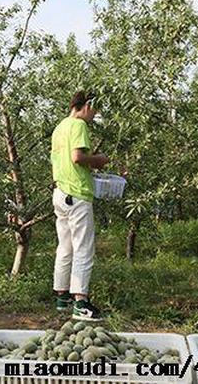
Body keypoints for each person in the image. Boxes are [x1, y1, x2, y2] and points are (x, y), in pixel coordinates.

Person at [50, 91, 109, 321]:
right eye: (94, 109)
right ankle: (81, 303)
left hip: (60, 192)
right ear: (86, 106)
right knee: (84, 248)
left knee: (65, 247)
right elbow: (77, 157)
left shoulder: (59, 128)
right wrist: (99, 160)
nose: (95, 115)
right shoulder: (79, 126)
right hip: (77, 193)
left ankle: (61, 297)